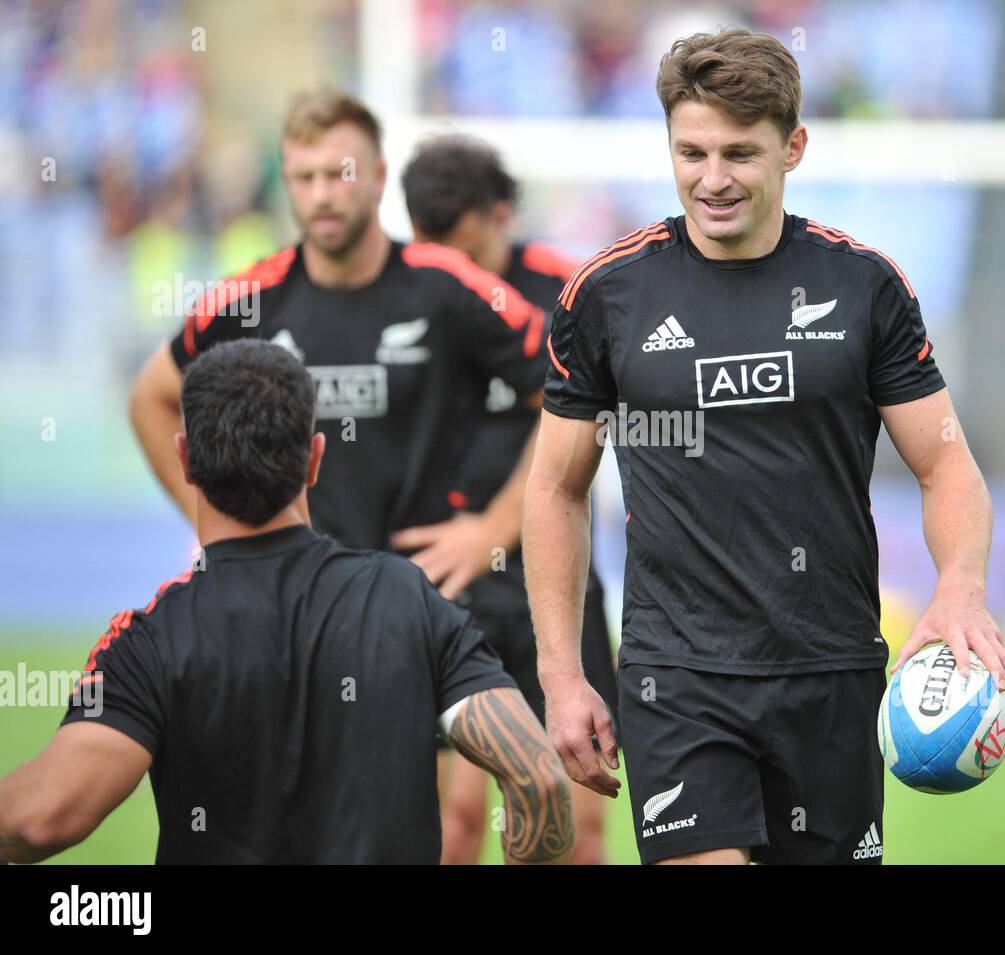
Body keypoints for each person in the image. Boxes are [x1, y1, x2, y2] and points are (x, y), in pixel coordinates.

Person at [523, 27, 1005, 865]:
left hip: (831, 668)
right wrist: (562, 673)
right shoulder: (607, 293)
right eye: (691, 152)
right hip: (674, 677)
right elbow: (555, 487)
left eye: (739, 153)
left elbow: (945, 466)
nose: (711, 179)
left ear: (793, 147)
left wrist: (961, 589)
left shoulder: (864, 286)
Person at [0, 340, 572, 864]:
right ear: (315, 458)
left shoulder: (152, 639)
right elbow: (539, 776)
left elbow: (40, 819)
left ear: (185, 460)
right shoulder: (405, 598)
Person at [129, 88, 547, 582]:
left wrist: (494, 531)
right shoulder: (251, 296)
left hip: (428, 602)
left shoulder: (447, 284)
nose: (322, 194)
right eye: (305, 178)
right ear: (286, 182)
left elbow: (569, 391)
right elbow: (149, 400)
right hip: (300, 601)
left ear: (377, 177)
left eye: (339, 173)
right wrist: (217, 528)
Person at [401, 135, 617, 864]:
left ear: (501, 214)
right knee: (456, 825)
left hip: (555, 581)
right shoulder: (409, 292)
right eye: (435, 250)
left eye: (464, 249)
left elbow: (584, 423)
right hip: (451, 586)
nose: (451, 270)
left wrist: (493, 526)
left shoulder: (568, 289)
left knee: (580, 831)